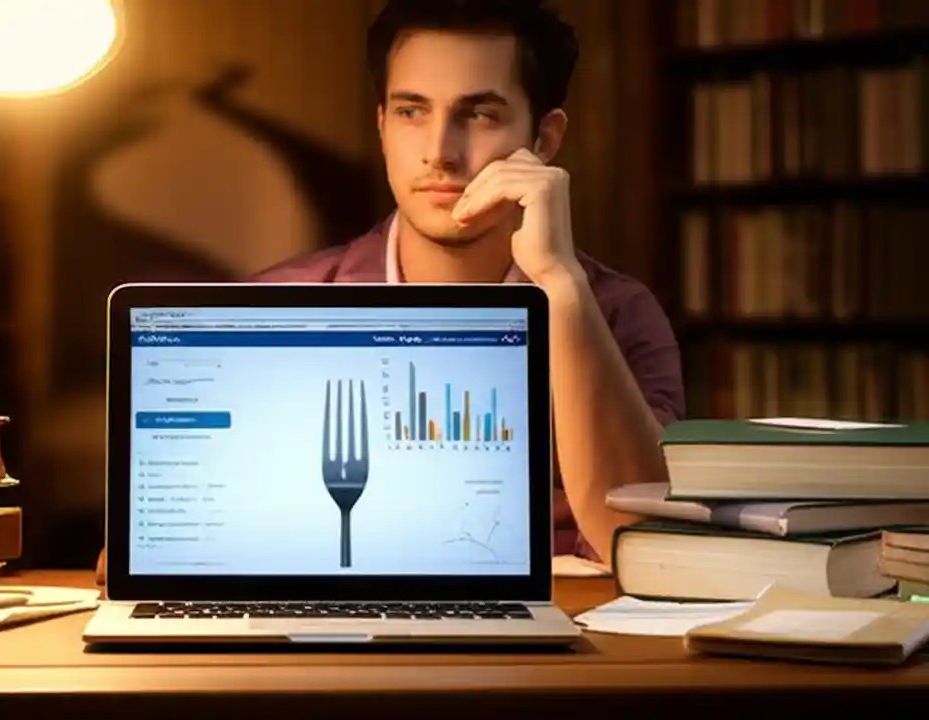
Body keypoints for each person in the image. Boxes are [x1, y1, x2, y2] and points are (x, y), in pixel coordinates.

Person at [251, 0, 684, 563]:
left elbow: (642, 546)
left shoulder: (618, 313)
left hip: (556, 635)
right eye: (411, 112)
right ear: (381, 125)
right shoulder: (279, 305)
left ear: (545, 140)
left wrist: (559, 283)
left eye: (479, 115)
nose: (440, 154)